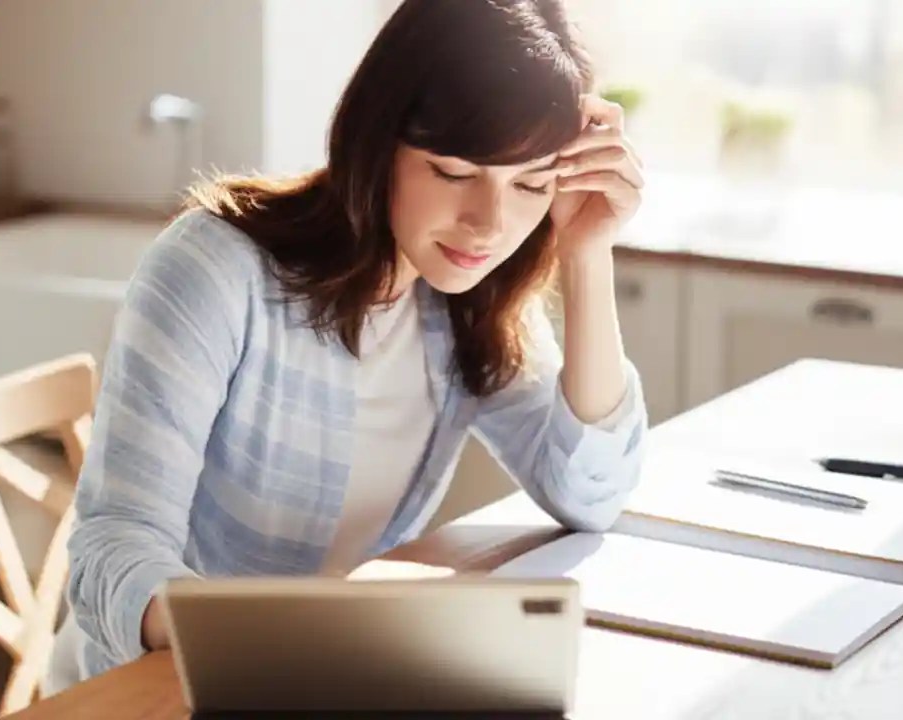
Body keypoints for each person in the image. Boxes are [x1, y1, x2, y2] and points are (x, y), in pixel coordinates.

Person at [46, 0, 648, 692]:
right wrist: (255, 650)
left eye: (531, 184)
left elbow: (591, 493)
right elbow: (112, 548)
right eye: (453, 173)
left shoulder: (470, 300)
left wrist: (587, 252)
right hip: (159, 688)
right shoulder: (216, 268)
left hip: (329, 679)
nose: (489, 223)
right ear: (377, 141)